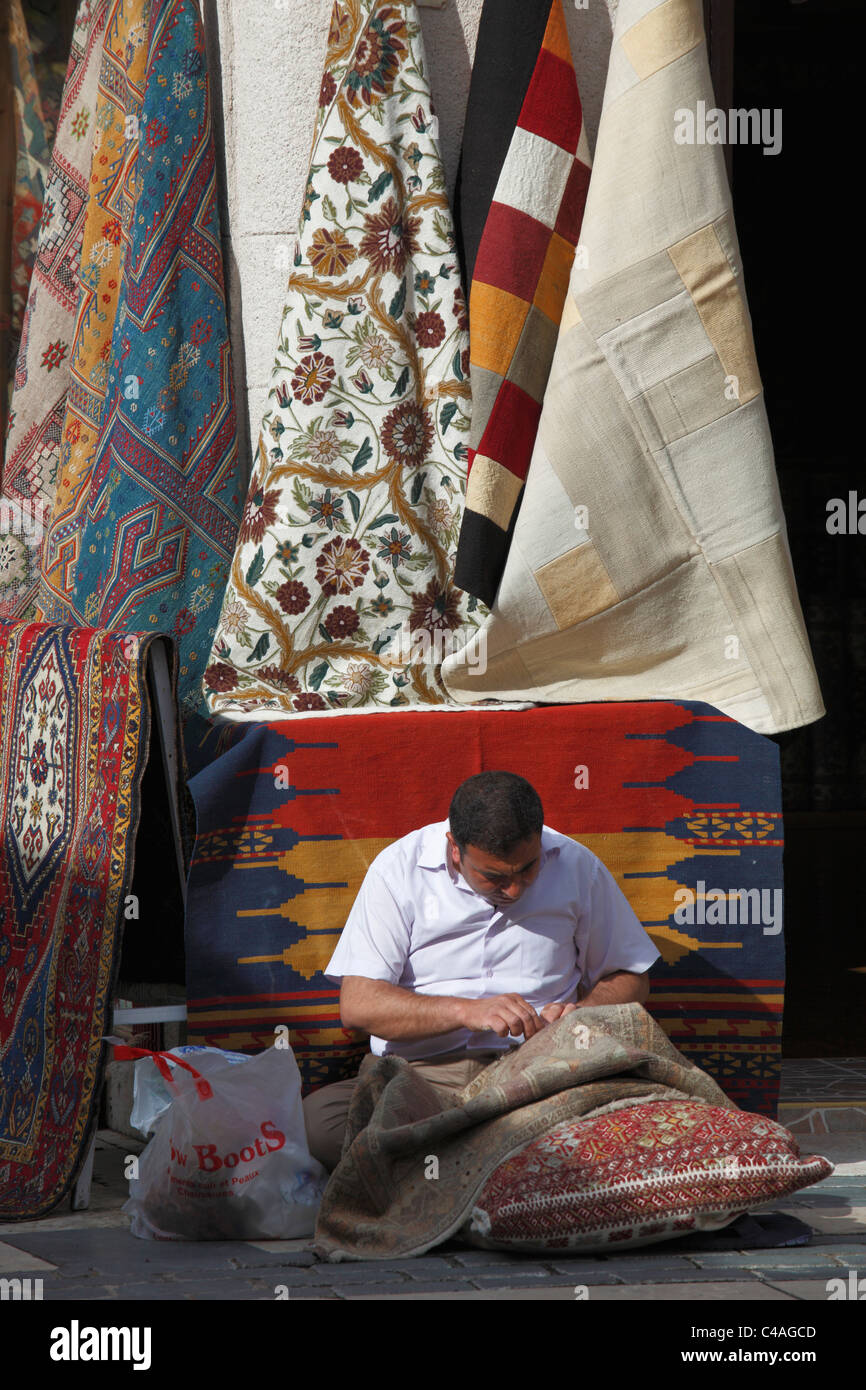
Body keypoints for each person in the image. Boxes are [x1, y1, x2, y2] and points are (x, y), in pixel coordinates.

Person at [302, 770, 660, 1170]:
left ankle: (460, 1160)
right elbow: (359, 1005)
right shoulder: (397, 871)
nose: (514, 890)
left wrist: (582, 1011)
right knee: (316, 1126)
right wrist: (466, 1012)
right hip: (422, 1077)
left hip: (541, 1071)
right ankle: (507, 1158)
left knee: (646, 1122)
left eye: (528, 868)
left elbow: (630, 975)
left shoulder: (577, 866)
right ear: (454, 848)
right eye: (494, 877)